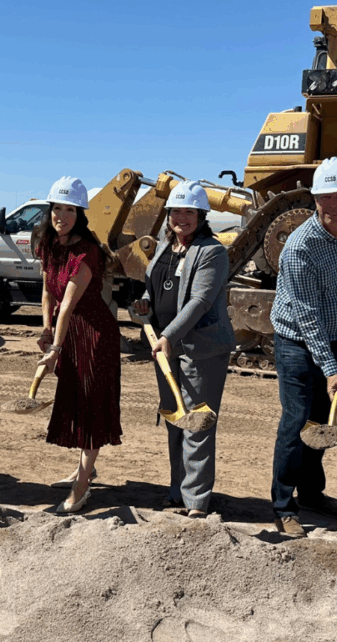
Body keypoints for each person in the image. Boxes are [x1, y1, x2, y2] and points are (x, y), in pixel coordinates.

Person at [269, 156, 337, 537]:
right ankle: (284, 506)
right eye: (324, 198)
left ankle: (312, 494)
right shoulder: (299, 249)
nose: (331, 206)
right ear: (314, 199)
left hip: (333, 337)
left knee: (320, 421)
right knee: (297, 420)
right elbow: (307, 316)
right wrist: (331, 371)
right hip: (297, 342)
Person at [130, 181, 235, 518]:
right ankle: (177, 491)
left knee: (197, 424)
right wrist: (145, 305)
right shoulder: (165, 247)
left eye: (189, 211)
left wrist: (169, 336)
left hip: (199, 350)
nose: (181, 217)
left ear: (201, 214)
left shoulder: (212, 252)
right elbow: (157, 290)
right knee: (175, 421)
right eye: (176, 211)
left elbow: (200, 301)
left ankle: (196, 502)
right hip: (165, 348)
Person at [34, 176, 123, 514]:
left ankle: (81, 486)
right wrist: (46, 329)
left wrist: (54, 349)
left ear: (80, 213)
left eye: (69, 209)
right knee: (76, 401)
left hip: (94, 335)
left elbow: (69, 304)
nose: (61, 215)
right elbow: (47, 292)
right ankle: (87, 467)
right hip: (68, 331)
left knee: (90, 407)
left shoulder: (86, 249)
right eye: (57, 208)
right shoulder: (49, 244)